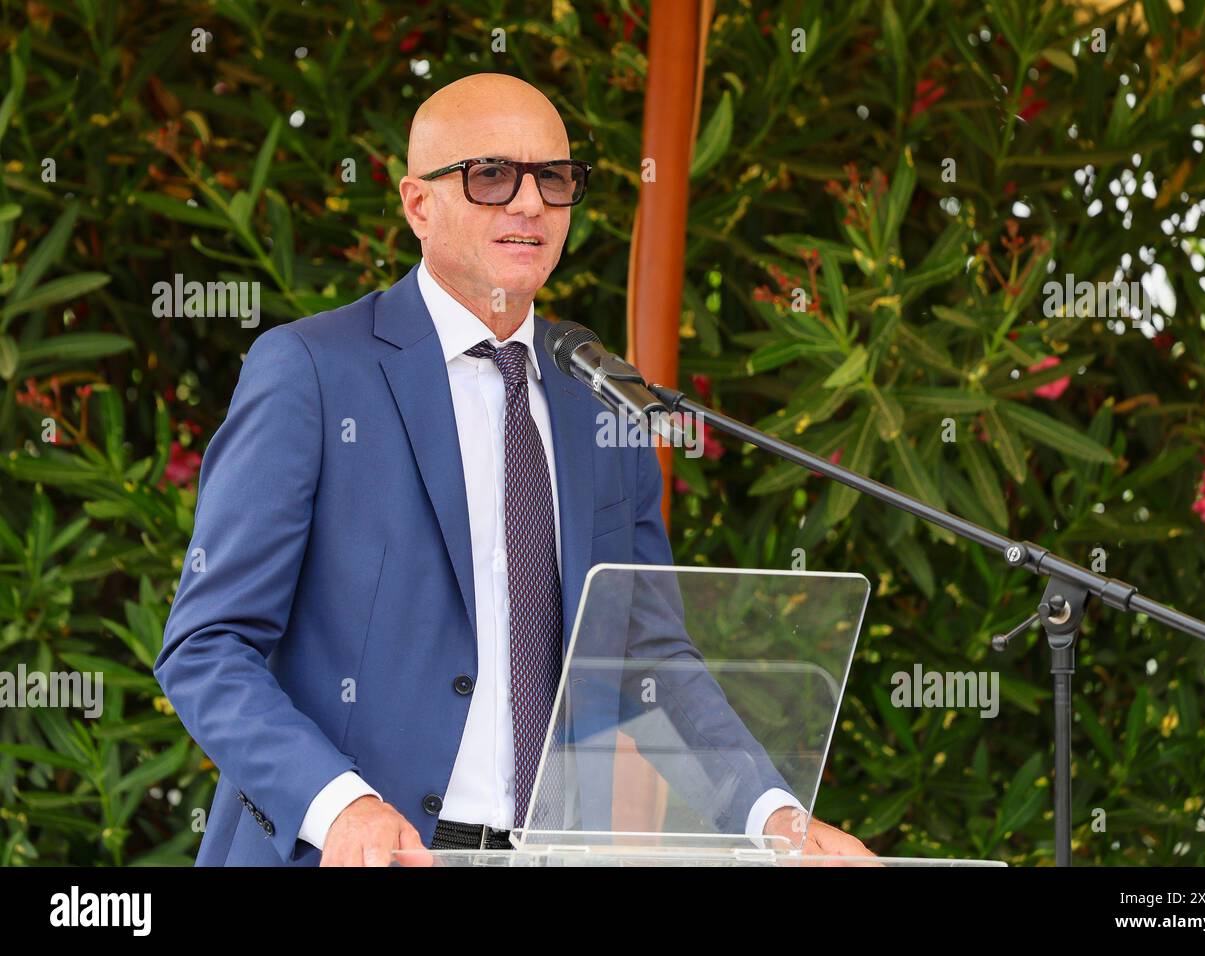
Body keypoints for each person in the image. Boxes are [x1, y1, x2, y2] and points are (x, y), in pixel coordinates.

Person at [155, 72, 873, 866]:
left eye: (555, 180)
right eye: (491, 176)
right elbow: (208, 646)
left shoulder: (600, 393)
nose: (529, 203)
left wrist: (773, 817)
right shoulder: (313, 372)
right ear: (417, 204)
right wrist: (342, 804)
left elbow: (649, 656)